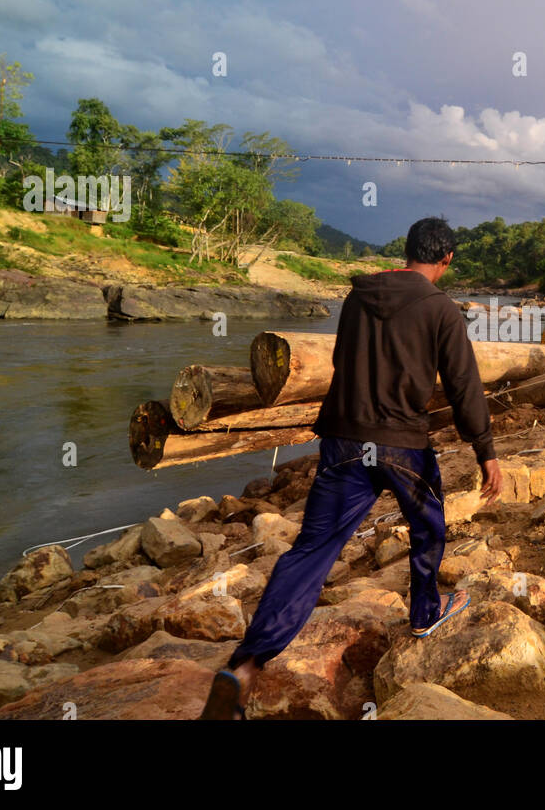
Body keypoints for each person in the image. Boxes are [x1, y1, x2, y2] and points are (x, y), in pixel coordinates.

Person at [199, 216, 503, 720]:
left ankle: (245, 667)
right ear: (446, 260)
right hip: (403, 444)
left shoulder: (359, 298)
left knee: (311, 551)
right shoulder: (441, 309)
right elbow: (463, 385)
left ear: (407, 252)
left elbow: (342, 359)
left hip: (343, 441)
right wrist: (485, 449)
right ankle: (425, 612)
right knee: (428, 524)